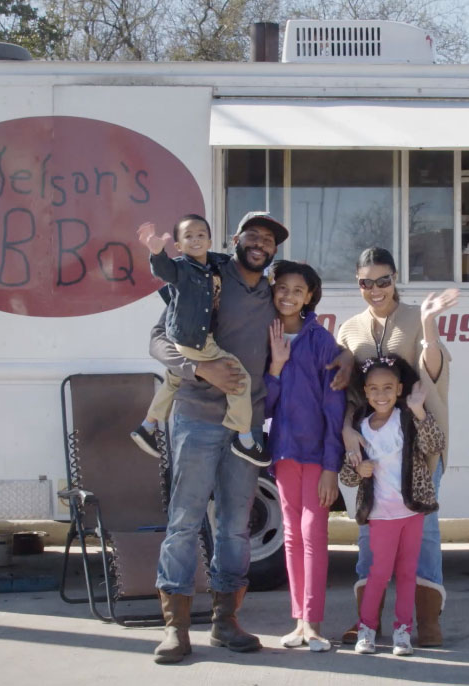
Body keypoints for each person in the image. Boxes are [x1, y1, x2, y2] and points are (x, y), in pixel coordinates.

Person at [148, 210, 288, 665]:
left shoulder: (274, 293)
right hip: (196, 416)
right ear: (236, 238)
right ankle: (176, 628)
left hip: (246, 425)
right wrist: (197, 368)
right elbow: (157, 339)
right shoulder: (205, 275)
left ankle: (225, 623)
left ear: (273, 251)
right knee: (185, 520)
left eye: (269, 240)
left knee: (234, 526)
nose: (260, 244)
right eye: (253, 235)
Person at [335, 247, 458, 648]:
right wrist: (347, 431)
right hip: (372, 451)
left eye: (383, 280)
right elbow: (346, 392)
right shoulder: (350, 329)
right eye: (366, 282)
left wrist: (428, 324)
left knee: (425, 535)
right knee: (371, 534)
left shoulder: (413, 319)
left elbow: (434, 372)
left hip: (420, 448)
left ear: (395, 279)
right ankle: (368, 621)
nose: (375, 289)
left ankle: (425, 623)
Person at [131, 214, 266, 466]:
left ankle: (147, 426)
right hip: (195, 340)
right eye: (188, 237)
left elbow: (236, 262)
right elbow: (164, 270)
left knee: (173, 380)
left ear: (210, 240)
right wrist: (157, 252)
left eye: (201, 235)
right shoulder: (181, 267)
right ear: (179, 246)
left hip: (187, 339)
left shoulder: (214, 263)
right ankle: (245, 438)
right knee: (240, 377)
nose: (196, 240)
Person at [264, 260, 345, 653]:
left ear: (310, 296)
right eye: (282, 288)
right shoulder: (267, 337)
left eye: (298, 290)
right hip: (282, 452)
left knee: (314, 534)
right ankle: (298, 623)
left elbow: (335, 410)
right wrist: (275, 367)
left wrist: (331, 467)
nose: (288, 296)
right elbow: (262, 406)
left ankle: (313, 623)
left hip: (316, 457)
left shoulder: (322, 342)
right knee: (293, 536)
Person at [339, 356, 443, 656]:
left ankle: (403, 632)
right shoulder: (360, 426)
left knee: (408, 573)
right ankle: (367, 629)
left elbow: (435, 444)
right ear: (365, 392)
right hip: (381, 515)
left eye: (387, 388)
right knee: (379, 573)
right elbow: (347, 473)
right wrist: (359, 470)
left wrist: (419, 409)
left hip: (411, 511)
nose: (380, 394)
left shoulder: (407, 418)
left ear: (399, 389)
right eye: (373, 389)